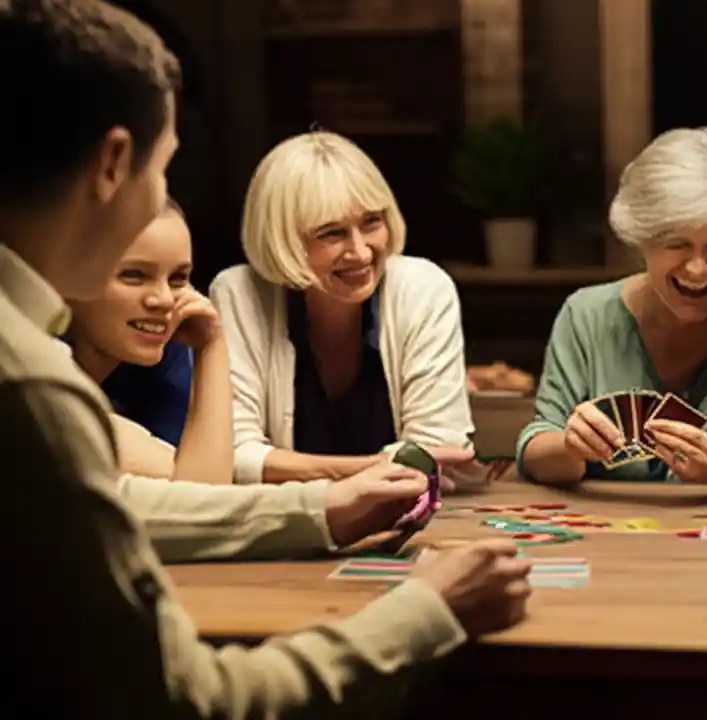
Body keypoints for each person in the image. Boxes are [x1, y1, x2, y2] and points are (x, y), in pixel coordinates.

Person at [0, 3, 529, 716]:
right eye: (164, 169)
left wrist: (318, 510)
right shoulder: (29, 384)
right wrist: (427, 610)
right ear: (114, 164)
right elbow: (189, 701)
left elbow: (122, 509)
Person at [517, 127, 707, 489]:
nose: (697, 269)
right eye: (677, 245)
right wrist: (570, 447)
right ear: (641, 238)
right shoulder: (586, 313)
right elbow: (536, 448)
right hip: (604, 538)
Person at [210, 131, 489, 488]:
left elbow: (442, 448)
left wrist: (289, 467)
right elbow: (231, 456)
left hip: (411, 520)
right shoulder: (238, 293)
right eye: (332, 233)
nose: (361, 252)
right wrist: (371, 468)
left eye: (372, 222)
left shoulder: (423, 288)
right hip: (288, 523)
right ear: (282, 238)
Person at [64, 198, 232, 484]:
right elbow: (196, 496)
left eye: (178, 278)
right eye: (134, 275)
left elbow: (208, 503)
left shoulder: (171, 348)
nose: (164, 300)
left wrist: (212, 345)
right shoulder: (28, 355)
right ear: (69, 279)